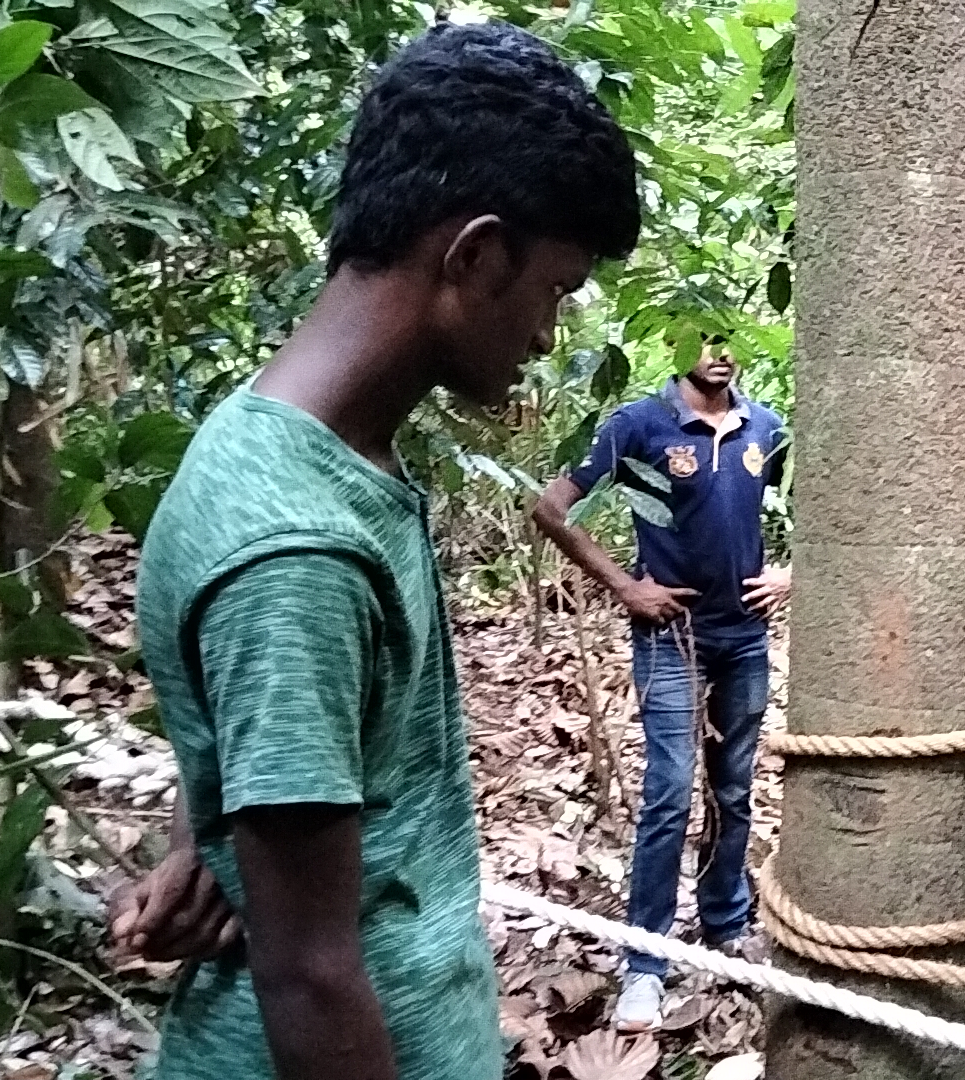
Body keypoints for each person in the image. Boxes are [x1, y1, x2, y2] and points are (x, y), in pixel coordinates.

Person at [117, 23, 639, 1080]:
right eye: (556, 290)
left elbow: (253, 732)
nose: (549, 335)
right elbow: (309, 973)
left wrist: (200, 839)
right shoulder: (297, 550)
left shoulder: (304, 454)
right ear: (475, 255)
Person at [531, 337, 789, 1031]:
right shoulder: (638, 425)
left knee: (733, 791)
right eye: (703, 339)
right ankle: (645, 961)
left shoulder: (766, 428)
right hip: (670, 638)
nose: (719, 353)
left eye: (729, 339)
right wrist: (625, 586)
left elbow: (826, 511)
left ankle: (726, 924)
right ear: (677, 345)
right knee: (669, 796)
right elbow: (552, 509)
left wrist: (791, 575)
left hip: (744, 638)